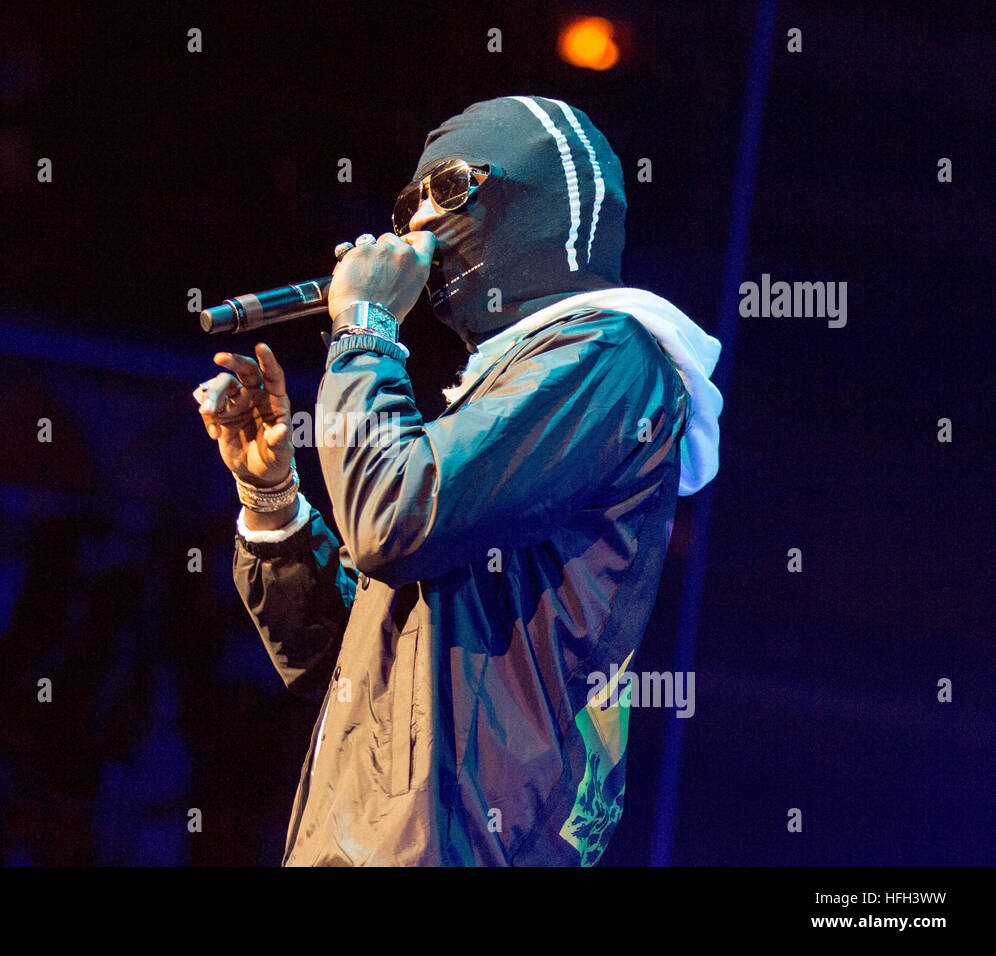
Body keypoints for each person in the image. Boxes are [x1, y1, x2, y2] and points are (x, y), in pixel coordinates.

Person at [195, 95, 723, 865]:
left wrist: (367, 326)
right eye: (406, 203)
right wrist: (271, 496)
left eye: (444, 191)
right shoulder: (500, 393)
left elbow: (393, 523)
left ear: (538, 197)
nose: (413, 224)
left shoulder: (609, 358)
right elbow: (336, 653)